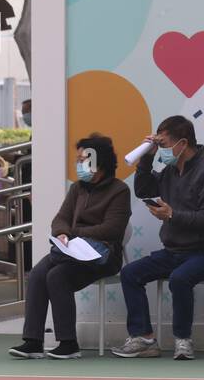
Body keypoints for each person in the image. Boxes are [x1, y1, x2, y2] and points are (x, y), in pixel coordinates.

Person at [112, 116, 204, 361]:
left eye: (163, 144)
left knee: (179, 279)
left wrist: (172, 214)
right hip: (174, 251)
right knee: (130, 273)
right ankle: (144, 338)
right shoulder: (170, 171)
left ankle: (183, 340)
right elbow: (144, 190)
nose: (161, 149)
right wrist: (146, 158)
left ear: (182, 143)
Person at [10, 135, 131, 360]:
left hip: (102, 255)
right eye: (78, 159)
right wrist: (62, 234)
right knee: (37, 273)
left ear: (100, 162)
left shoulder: (120, 190)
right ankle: (33, 341)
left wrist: (74, 234)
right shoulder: (77, 188)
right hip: (71, 252)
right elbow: (60, 218)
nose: (79, 164)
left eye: (83, 159)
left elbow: (112, 230)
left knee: (57, 276)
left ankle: (68, 343)